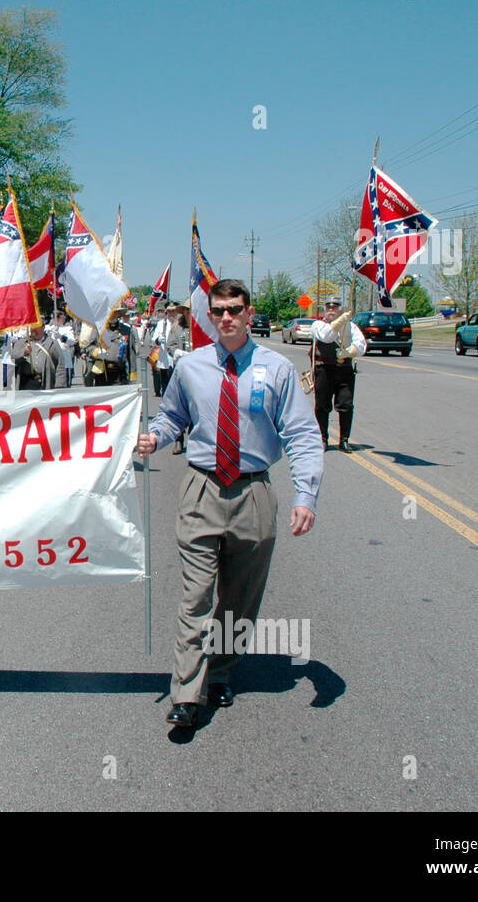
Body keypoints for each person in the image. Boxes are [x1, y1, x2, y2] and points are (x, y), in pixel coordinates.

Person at [136, 279, 322, 730]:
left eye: (234, 309)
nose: (226, 317)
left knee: (239, 600)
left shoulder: (277, 369)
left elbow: (301, 433)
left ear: (249, 314)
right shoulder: (191, 366)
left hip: (253, 493)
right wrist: (156, 436)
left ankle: (220, 672)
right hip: (202, 490)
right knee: (196, 596)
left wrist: (306, 494)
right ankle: (186, 692)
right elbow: (173, 415)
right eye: (218, 310)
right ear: (209, 315)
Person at [311, 296, 367, 452]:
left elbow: (361, 345)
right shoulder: (318, 325)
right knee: (322, 406)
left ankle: (344, 439)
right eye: (328, 306)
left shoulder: (351, 327)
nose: (331, 309)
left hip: (344, 370)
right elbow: (327, 336)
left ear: (340, 309)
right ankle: (323, 439)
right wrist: (340, 321)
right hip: (324, 369)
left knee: (346, 405)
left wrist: (350, 351)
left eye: (335, 307)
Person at [12, 322, 63, 389]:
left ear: (43, 327)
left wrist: (60, 386)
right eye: (32, 326)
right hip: (26, 385)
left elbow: (60, 366)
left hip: (45, 385)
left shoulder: (53, 344)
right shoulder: (21, 343)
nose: (33, 329)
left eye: (36, 326)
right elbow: (12, 361)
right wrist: (23, 353)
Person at [48, 309, 78, 387]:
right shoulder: (48, 328)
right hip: (51, 361)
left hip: (64, 360)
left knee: (65, 384)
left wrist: (61, 337)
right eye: (59, 317)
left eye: (62, 317)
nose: (63, 318)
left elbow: (72, 341)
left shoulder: (67, 328)